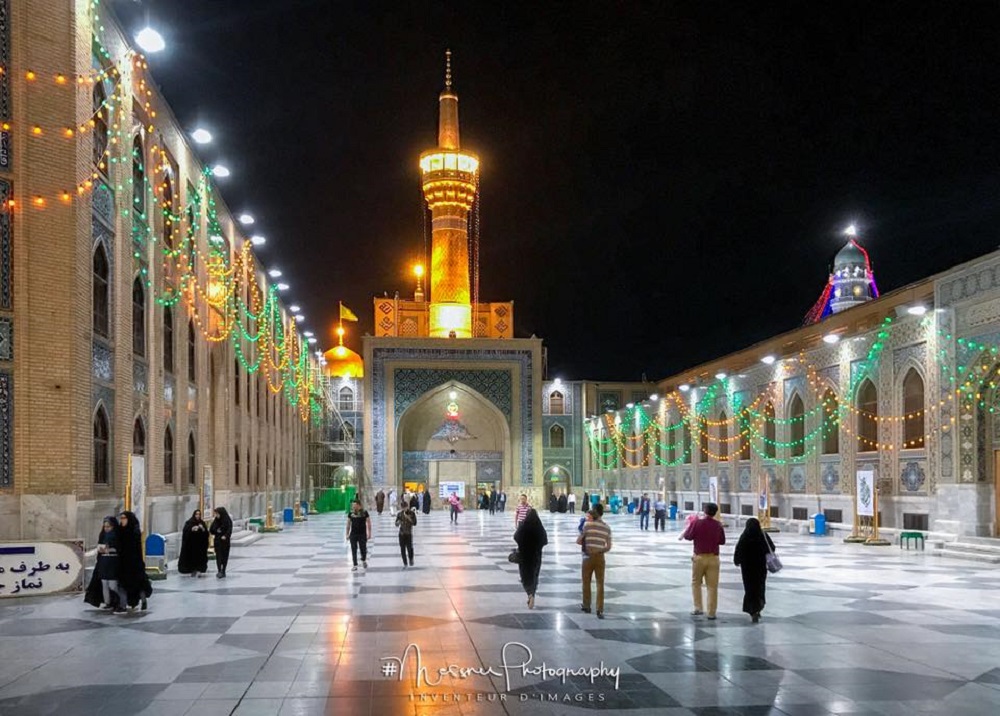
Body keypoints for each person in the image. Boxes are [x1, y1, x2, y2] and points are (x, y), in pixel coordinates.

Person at [684, 502, 726, 620]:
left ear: (705, 511)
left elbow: (688, 536)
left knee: (696, 583)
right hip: (714, 558)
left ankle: (698, 608)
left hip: (699, 558)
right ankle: (711, 613)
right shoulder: (718, 525)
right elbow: (722, 541)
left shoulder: (697, 523)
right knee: (712, 586)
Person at [734, 518, 775, 623]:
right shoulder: (763, 535)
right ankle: (758, 607)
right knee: (759, 587)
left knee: (749, 588)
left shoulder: (745, 535)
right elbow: (772, 547)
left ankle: (752, 610)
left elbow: (739, 549)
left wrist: (737, 560)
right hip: (760, 566)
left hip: (747, 568)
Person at [578, 504, 612, 619]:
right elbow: (609, 547)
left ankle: (587, 605)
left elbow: (579, 541)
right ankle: (599, 609)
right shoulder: (607, 528)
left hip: (587, 557)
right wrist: (599, 550)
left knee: (586, 581)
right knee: (600, 583)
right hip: (600, 557)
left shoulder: (587, 525)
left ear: (595, 512)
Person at [114, 511, 151, 614]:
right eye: (121, 518)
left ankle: (143, 601)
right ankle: (123, 605)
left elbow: (135, 548)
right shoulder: (120, 531)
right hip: (123, 563)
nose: (122, 520)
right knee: (122, 584)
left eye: (124, 518)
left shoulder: (134, 531)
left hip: (134, 563)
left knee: (138, 584)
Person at [513, 508, 548, 609]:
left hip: (524, 556)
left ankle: (529, 594)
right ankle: (533, 593)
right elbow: (544, 540)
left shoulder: (523, 526)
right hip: (536, 556)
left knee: (525, 576)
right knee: (534, 575)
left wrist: (522, 544)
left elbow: (516, 537)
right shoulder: (539, 527)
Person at [84, 516, 119, 609]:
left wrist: (110, 549)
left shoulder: (117, 536)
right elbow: (98, 548)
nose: (106, 529)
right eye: (105, 527)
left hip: (113, 562)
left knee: (113, 584)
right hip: (103, 562)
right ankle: (107, 602)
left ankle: (115, 602)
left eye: (109, 527)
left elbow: (120, 549)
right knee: (104, 583)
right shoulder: (103, 535)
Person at [177, 509, 209, 578]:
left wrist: (202, 529)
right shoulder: (189, 523)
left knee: (199, 558)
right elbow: (185, 533)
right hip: (191, 546)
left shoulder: (202, 523)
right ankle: (191, 569)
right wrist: (192, 529)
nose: (198, 516)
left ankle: (199, 569)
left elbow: (206, 534)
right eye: (196, 514)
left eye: (199, 514)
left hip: (200, 546)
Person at [346, 499, 372, 570]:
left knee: (363, 548)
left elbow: (369, 523)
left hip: (362, 534)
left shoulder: (364, 513)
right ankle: (355, 565)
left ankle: (363, 560)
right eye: (352, 506)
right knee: (353, 549)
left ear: (359, 505)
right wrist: (347, 534)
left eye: (354, 505)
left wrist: (369, 533)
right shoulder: (351, 513)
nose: (353, 507)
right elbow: (348, 524)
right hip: (353, 534)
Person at [209, 506, 233, 579]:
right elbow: (211, 529)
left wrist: (225, 535)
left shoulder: (227, 520)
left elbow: (229, 529)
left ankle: (223, 570)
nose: (216, 515)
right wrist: (216, 531)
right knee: (218, 556)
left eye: (217, 513)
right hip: (218, 541)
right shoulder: (216, 520)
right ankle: (219, 570)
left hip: (225, 542)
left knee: (224, 556)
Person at [395, 501, 417, 569]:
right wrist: (397, 523)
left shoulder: (412, 513)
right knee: (402, 549)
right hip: (401, 534)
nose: (404, 509)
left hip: (408, 533)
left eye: (405, 507)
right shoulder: (399, 514)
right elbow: (396, 523)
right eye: (403, 508)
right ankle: (405, 562)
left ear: (407, 506)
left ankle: (411, 558)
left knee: (410, 548)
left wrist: (409, 518)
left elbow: (415, 523)